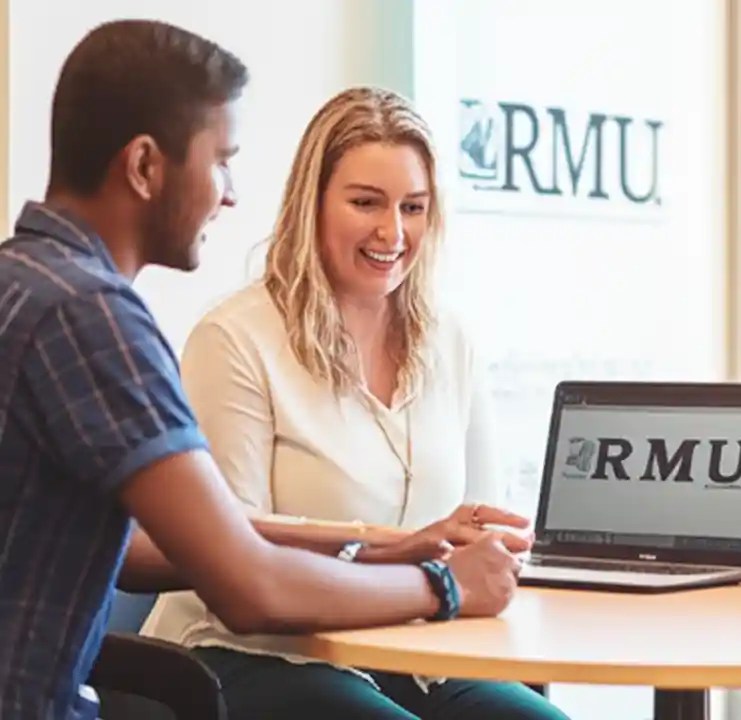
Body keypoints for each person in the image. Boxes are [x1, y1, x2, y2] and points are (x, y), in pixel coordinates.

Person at [0, 21, 522, 720]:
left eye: (413, 207)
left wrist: (387, 544)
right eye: (221, 160)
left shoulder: (25, 281)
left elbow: (160, 543)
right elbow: (246, 585)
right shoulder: (92, 318)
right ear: (147, 167)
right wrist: (442, 586)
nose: (230, 194)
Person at [140, 86, 571, 720]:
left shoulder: (450, 340)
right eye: (365, 202)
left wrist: (480, 563)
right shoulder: (234, 340)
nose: (392, 232)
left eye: (413, 207)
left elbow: (484, 535)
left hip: (413, 653)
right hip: (253, 653)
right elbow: (234, 564)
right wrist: (426, 572)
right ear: (312, 204)